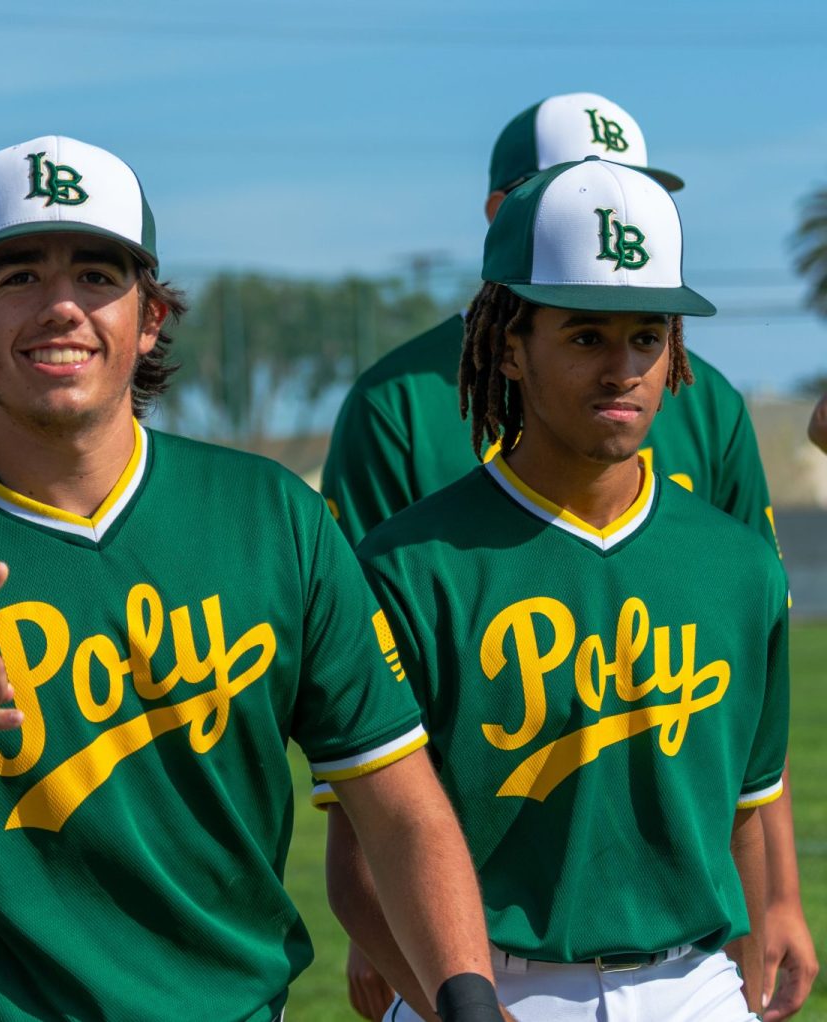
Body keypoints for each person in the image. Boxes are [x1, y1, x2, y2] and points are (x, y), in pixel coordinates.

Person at [0, 135, 509, 1021]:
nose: (62, 307)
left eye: (97, 277)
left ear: (150, 318)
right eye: (18, 276)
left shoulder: (273, 518)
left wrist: (467, 1002)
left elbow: (399, 809)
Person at [321, 94, 815, 1022]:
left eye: (645, 336)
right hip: (488, 977)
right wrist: (444, 995)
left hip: (694, 982)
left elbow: (750, 799)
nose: (621, 367)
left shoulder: (736, 566)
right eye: (584, 334)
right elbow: (364, 852)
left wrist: (774, 907)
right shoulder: (409, 565)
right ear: (509, 346)